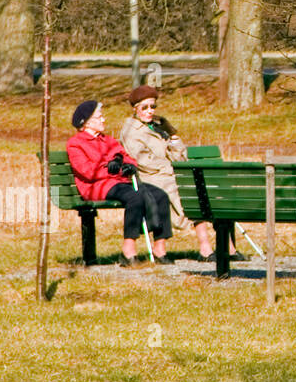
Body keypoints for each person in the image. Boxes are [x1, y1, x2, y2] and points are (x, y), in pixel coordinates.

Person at [66, 99, 172, 266]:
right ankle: (128, 250)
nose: (103, 120)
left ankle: (160, 249)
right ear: (86, 122)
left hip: (119, 183)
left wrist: (129, 166)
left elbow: (128, 158)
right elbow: (87, 171)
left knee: (160, 195)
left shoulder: (108, 140)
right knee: (134, 197)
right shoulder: (76, 144)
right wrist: (110, 168)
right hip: (96, 187)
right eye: (99, 117)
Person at [119, 85, 217, 261]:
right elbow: (144, 162)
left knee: (197, 189)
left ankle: (209, 247)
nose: (150, 111)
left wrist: (172, 135)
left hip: (167, 174)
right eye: (145, 107)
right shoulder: (131, 131)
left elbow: (181, 157)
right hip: (150, 177)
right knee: (182, 191)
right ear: (135, 109)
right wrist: (171, 168)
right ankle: (205, 247)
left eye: (153, 107)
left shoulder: (156, 128)